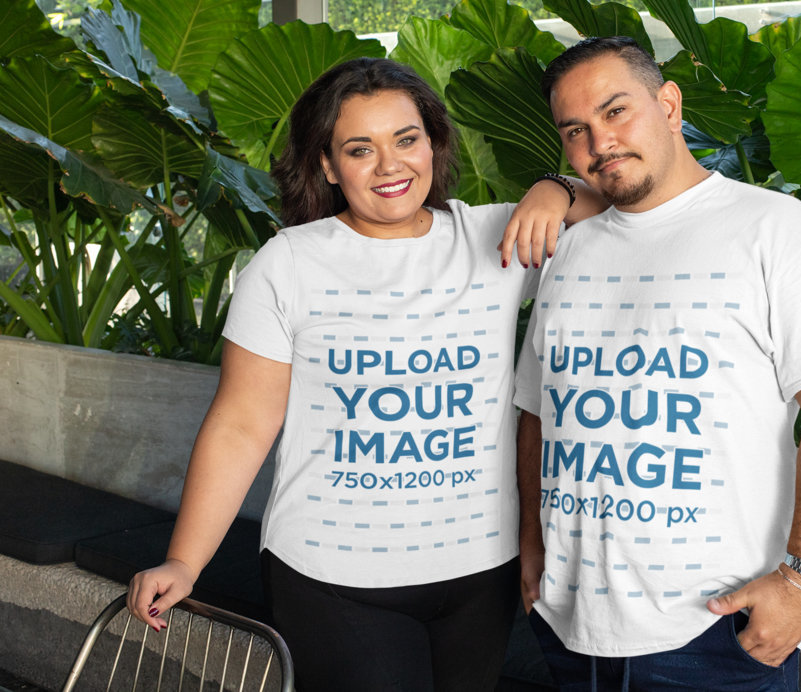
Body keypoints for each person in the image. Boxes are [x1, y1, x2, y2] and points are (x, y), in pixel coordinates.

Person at [126, 57, 605, 691]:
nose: (390, 165)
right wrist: (185, 561)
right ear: (327, 165)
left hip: (480, 572)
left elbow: (622, 213)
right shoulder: (289, 263)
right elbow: (243, 423)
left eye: (406, 139)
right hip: (333, 580)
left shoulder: (494, 235)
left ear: (432, 141)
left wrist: (557, 188)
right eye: (360, 149)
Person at [513, 36, 801, 691]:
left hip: (713, 631)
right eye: (576, 130)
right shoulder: (566, 249)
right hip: (570, 627)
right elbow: (539, 414)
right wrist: (533, 547)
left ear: (670, 104)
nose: (600, 142)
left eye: (616, 111)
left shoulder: (775, 230)